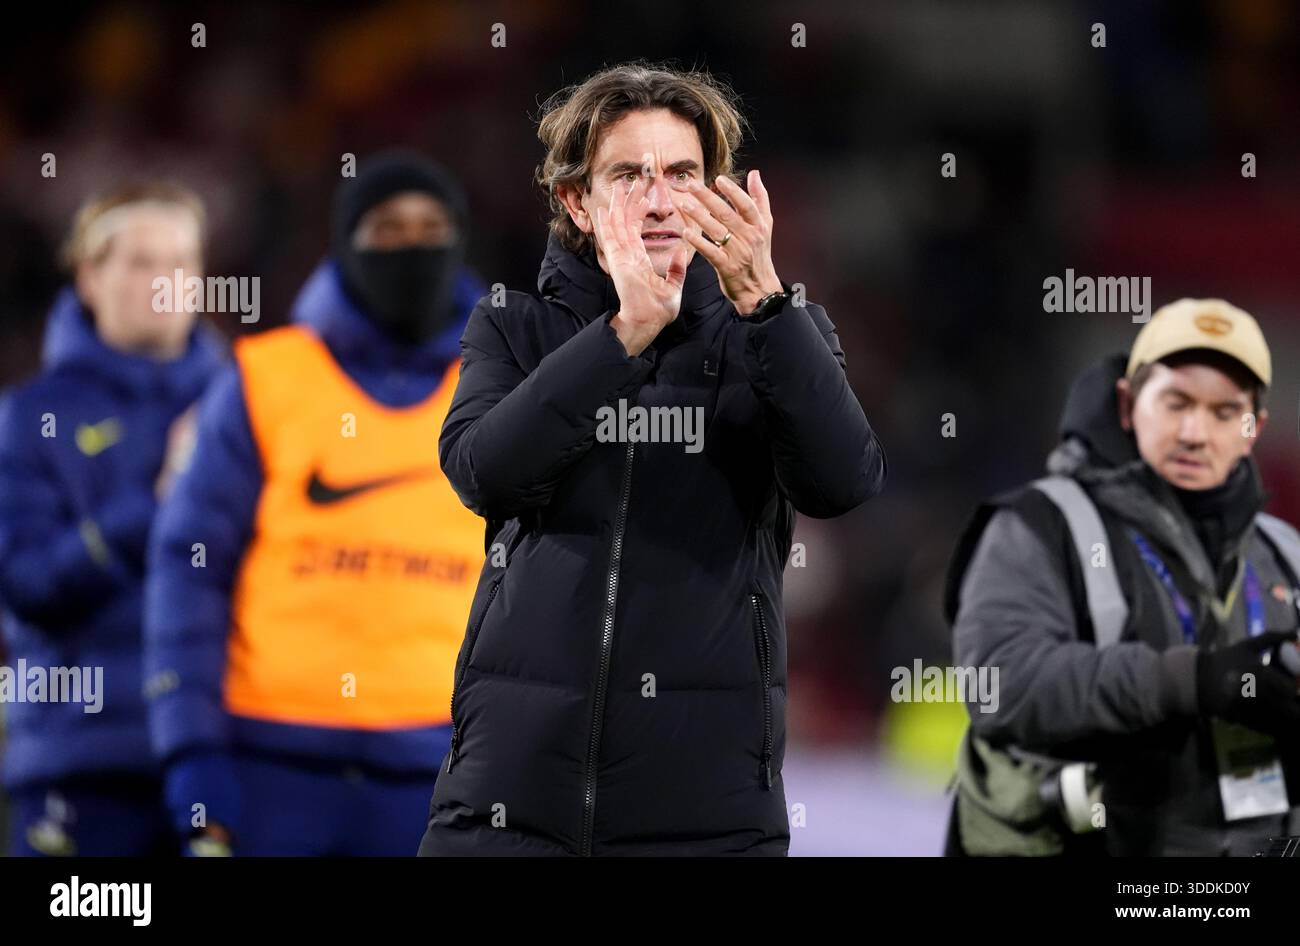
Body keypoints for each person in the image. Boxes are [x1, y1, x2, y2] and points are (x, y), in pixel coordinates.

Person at [418, 62, 886, 857]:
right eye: (629, 175)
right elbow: (484, 473)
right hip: (509, 802)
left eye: (683, 174)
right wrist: (620, 337)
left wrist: (769, 309)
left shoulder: (775, 333)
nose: (663, 200)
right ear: (576, 201)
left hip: (710, 815)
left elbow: (843, 481)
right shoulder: (513, 327)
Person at [144, 151, 487, 856]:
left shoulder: (499, 382)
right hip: (270, 769)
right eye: (387, 229)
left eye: (432, 228)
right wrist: (195, 767)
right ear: (343, 245)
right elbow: (189, 578)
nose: (412, 246)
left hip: (444, 780)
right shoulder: (266, 380)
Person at [945, 298, 1300, 857]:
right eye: (1175, 402)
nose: (1194, 432)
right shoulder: (1039, 526)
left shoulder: (1285, 555)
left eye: (1224, 412)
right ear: (1130, 404)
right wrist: (1195, 680)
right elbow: (1001, 686)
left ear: (1255, 427)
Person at [0, 182, 224, 855]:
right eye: (141, 263)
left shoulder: (243, 407)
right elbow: (27, 585)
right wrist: (157, 506)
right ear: (90, 278)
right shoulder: (30, 417)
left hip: (218, 757)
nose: (165, 283)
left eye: (181, 264)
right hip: (81, 766)